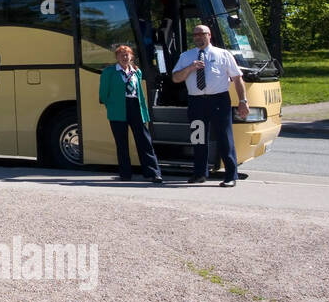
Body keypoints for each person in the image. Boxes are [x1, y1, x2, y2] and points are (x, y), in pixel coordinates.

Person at [172, 24, 248, 187]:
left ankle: (230, 175)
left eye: (202, 34)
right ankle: (199, 173)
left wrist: (243, 101)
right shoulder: (186, 56)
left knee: (224, 137)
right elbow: (176, 78)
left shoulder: (223, 54)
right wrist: (190, 68)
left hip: (218, 100)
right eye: (195, 35)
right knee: (198, 139)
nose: (198, 37)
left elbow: (237, 78)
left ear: (209, 35)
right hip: (196, 101)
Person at [98, 44, 164, 184]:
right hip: (118, 109)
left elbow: (138, 91)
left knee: (145, 141)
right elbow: (103, 94)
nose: (124, 57)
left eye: (127, 54)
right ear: (117, 58)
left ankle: (153, 173)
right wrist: (112, 105)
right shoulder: (109, 72)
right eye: (121, 55)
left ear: (131, 57)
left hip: (135, 107)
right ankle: (125, 174)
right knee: (122, 143)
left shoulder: (136, 72)